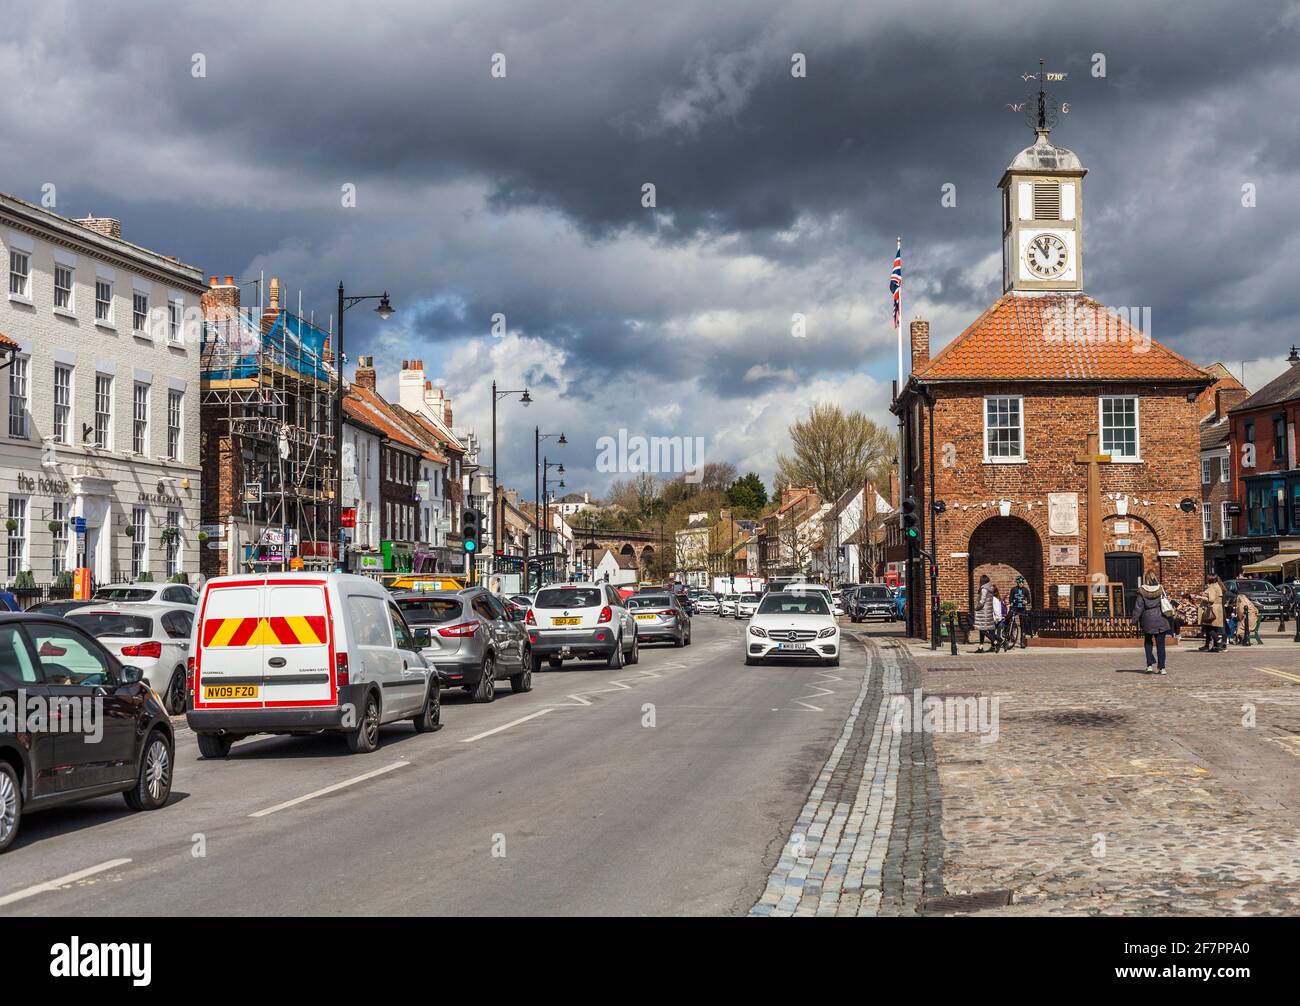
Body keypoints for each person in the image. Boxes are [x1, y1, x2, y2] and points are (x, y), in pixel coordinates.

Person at [1131, 572, 1172, 674]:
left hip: (1147, 618)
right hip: (1160, 618)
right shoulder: (1160, 589)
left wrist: (1134, 620)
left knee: (1148, 642)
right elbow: (1165, 601)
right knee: (1161, 645)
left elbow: (1138, 607)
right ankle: (1162, 668)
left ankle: (1149, 665)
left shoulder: (1142, 590)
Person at [1197, 576, 1226, 653]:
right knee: (1213, 628)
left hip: (1212, 609)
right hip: (1217, 609)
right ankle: (1216, 646)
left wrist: (1200, 597)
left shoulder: (1212, 587)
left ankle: (1218, 640)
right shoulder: (1218, 586)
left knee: (1208, 627)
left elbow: (1211, 599)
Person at [1007, 576, 1032, 649]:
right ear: (1017, 583)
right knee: (1009, 619)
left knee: (1023, 624)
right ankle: (1009, 635)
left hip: (1022, 608)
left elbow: (1029, 600)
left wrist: (1026, 602)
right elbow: (1010, 599)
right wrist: (1011, 603)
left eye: (1022, 582)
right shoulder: (1013, 589)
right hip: (1015, 607)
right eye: (1019, 582)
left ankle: (1022, 641)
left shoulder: (1025, 590)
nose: (1021, 584)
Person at [973, 574, 996, 653]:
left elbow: (982, 601)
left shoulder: (984, 589)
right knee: (982, 629)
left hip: (983, 612)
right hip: (988, 611)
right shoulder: (990, 588)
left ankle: (996, 642)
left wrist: (976, 608)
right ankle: (981, 647)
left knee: (983, 630)